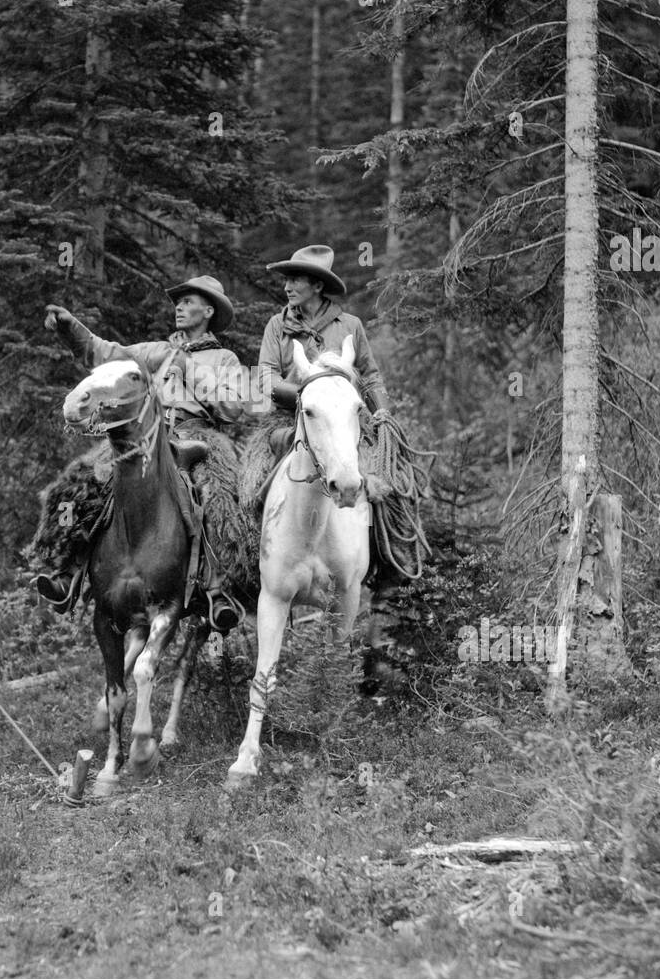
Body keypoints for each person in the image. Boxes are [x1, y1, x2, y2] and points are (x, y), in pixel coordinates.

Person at [35, 275, 247, 632]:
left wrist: (190, 373)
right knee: (82, 480)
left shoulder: (225, 358)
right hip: (146, 433)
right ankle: (67, 571)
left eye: (188, 301)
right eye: (177, 302)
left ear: (208, 311)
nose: (178, 307)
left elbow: (234, 407)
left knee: (221, 492)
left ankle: (219, 588)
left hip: (198, 435)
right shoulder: (154, 351)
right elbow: (105, 355)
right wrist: (72, 329)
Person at [258, 244, 430, 664]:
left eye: (296, 279)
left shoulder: (350, 325)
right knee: (249, 487)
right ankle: (248, 562)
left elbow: (369, 373)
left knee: (388, 490)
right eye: (286, 278)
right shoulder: (276, 327)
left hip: (346, 426)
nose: (288, 286)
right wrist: (307, 392)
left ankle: (391, 571)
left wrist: (382, 412)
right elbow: (265, 376)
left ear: (317, 285)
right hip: (287, 426)